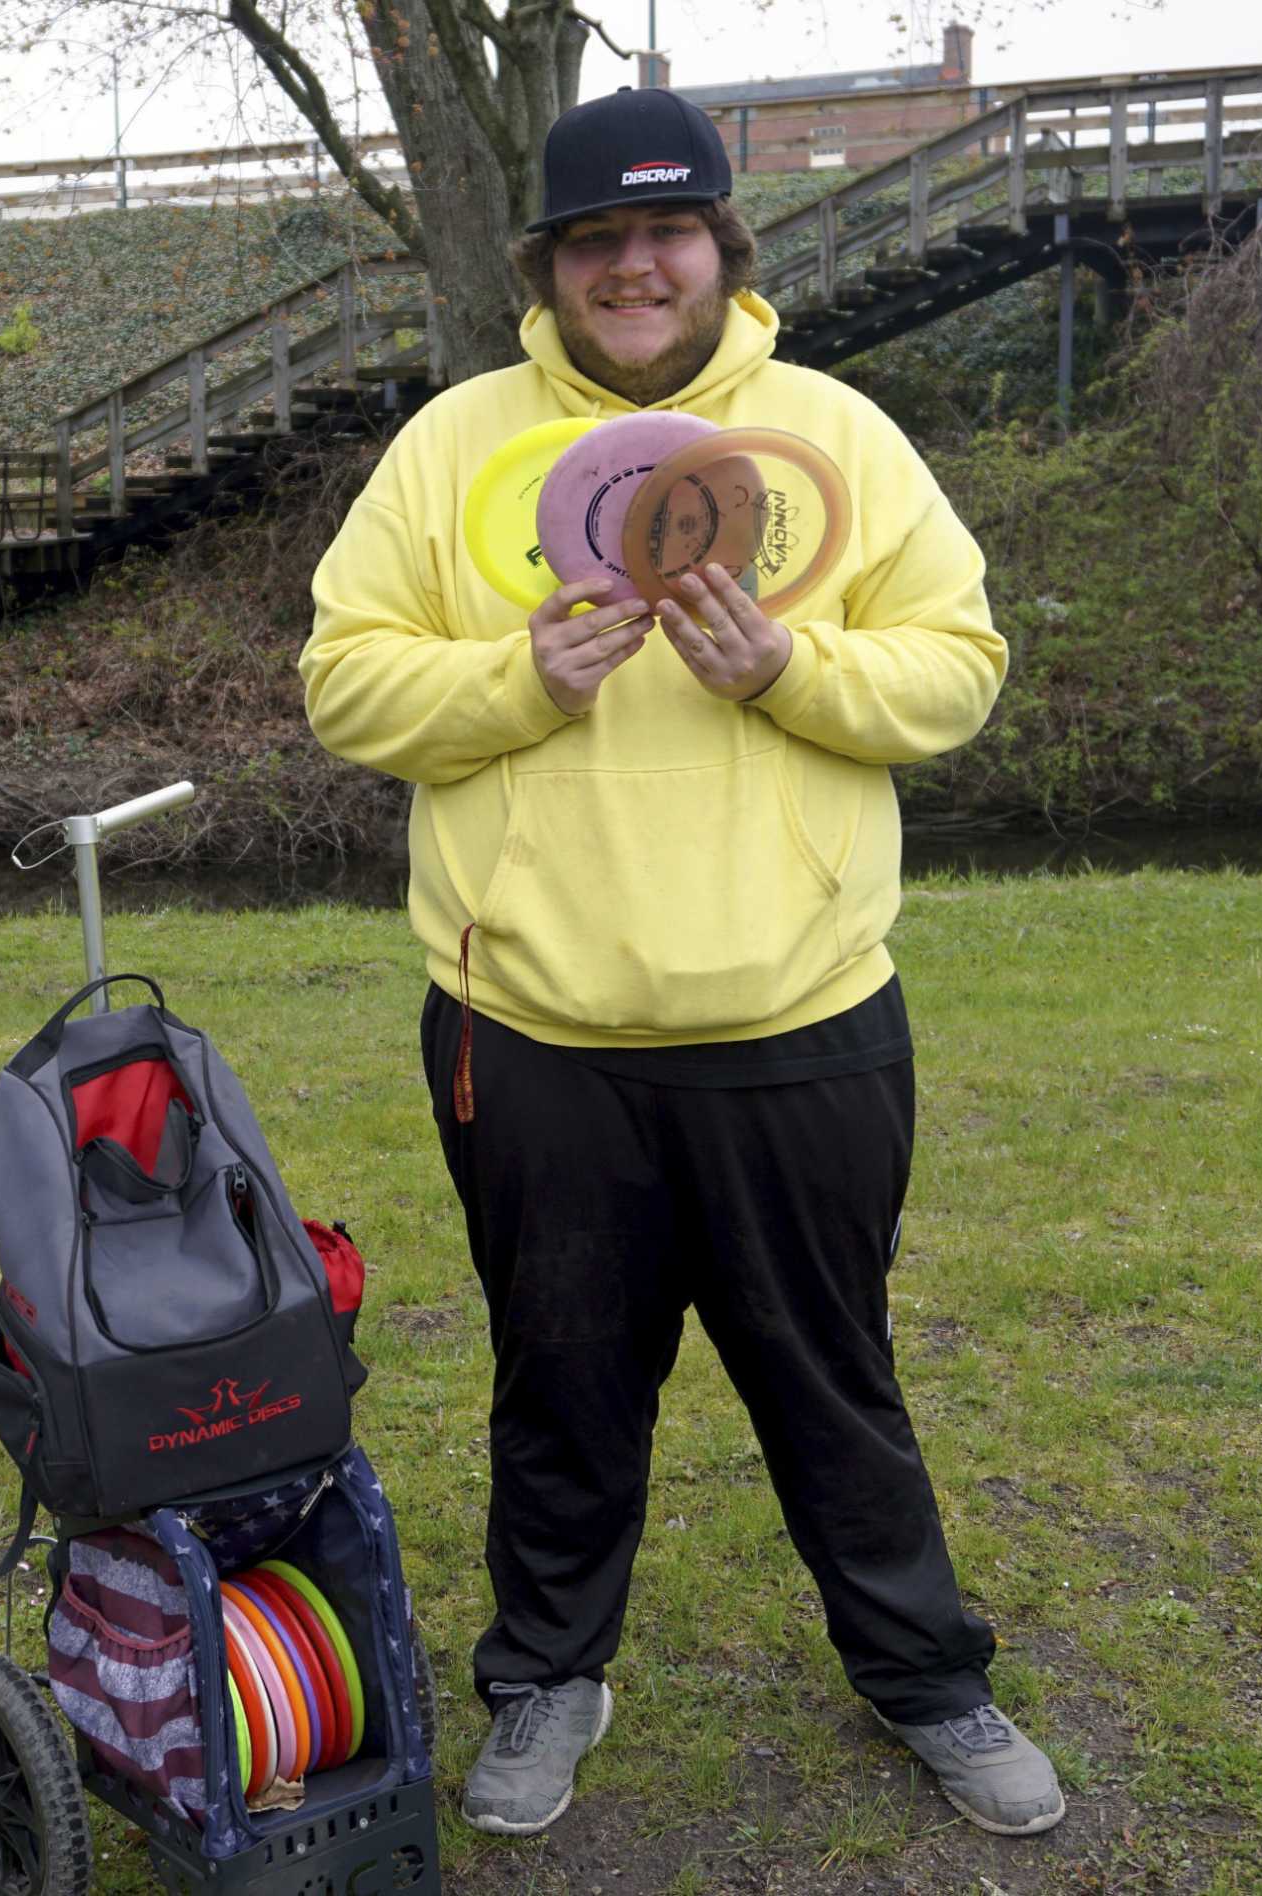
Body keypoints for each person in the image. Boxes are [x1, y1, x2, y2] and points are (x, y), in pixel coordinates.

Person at [300, 85, 1065, 1842]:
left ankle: (927, 1679)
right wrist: (517, 683)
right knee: (559, 1378)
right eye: (596, 241)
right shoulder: (452, 447)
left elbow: (959, 668)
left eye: (668, 233)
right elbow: (345, 685)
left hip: (802, 1019)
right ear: (551, 266)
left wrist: (790, 670)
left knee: (832, 1380)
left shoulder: (839, 436)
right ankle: (548, 1681)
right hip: (537, 1033)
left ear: (724, 246)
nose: (634, 267)